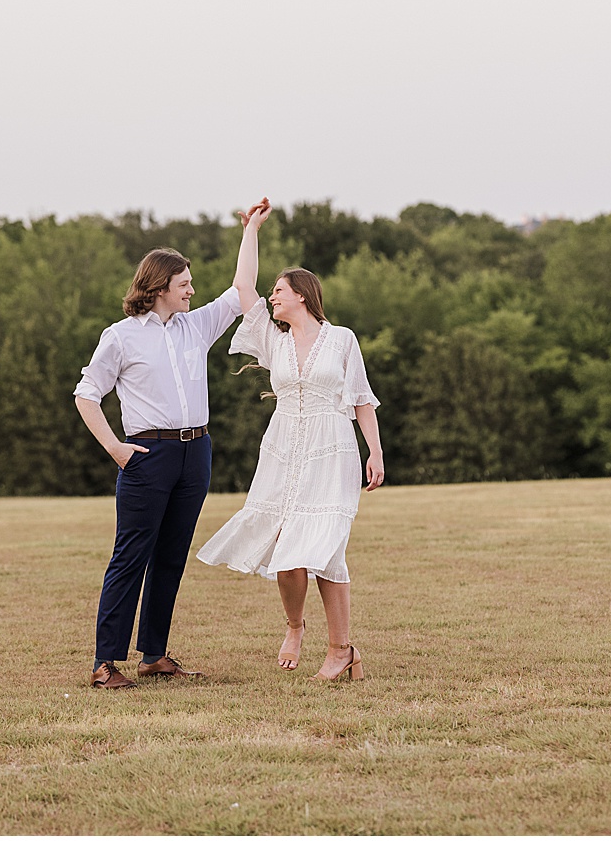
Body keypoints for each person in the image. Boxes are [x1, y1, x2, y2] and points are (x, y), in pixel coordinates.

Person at [74, 206, 265, 690]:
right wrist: (116, 449)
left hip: (196, 453)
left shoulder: (195, 327)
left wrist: (250, 231)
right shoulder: (120, 337)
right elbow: (86, 395)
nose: (192, 291)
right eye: (184, 284)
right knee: (130, 556)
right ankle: (104, 663)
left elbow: (243, 287)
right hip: (146, 456)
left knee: (172, 555)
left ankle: (153, 656)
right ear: (160, 287)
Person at [196, 207, 385, 681]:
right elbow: (243, 286)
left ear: (301, 294)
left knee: (326, 549)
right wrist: (251, 230)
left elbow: (361, 398)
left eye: (279, 290)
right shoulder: (272, 340)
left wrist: (375, 452)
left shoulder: (342, 340)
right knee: (285, 549)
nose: (271, 297)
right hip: (282, 450)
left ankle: (340, 651)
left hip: (332, 450)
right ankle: (296, 627)